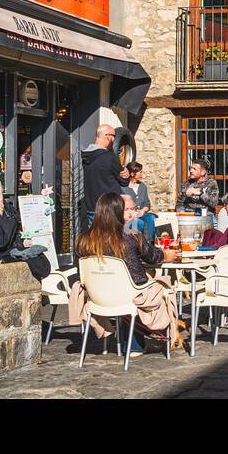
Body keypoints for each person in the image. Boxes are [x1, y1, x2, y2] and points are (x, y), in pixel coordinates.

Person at [71, 191, 185, 349]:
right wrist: (166, 255)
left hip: (97, 296)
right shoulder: (130, 236)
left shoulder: (82, 240)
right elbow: (152, 257)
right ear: (117, 213)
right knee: (159, 286)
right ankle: (140, 343)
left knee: (127, 287)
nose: (130, 213)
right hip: (129, 295)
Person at [81, 124, 122, 228]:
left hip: (91, 206)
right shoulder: (111, 157)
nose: (113, 140)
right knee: (111, 240)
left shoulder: (86, 156)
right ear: (108, 136)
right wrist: (125, 173)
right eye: (113, 136)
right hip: (109, 206)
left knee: (94, 240)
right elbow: (123, 181)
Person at [122, 161, 155, 243]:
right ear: (132, 174)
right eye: (140, 172)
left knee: (150, 217)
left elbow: (147, 204)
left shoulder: (142, 186)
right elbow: (121, 206)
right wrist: (132, 213)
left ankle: (149, 243)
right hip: (129, 217)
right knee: (139, 223)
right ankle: (138, 244)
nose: (142, 174)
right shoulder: (123, 188)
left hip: (141, 214)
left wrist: (143, 210)